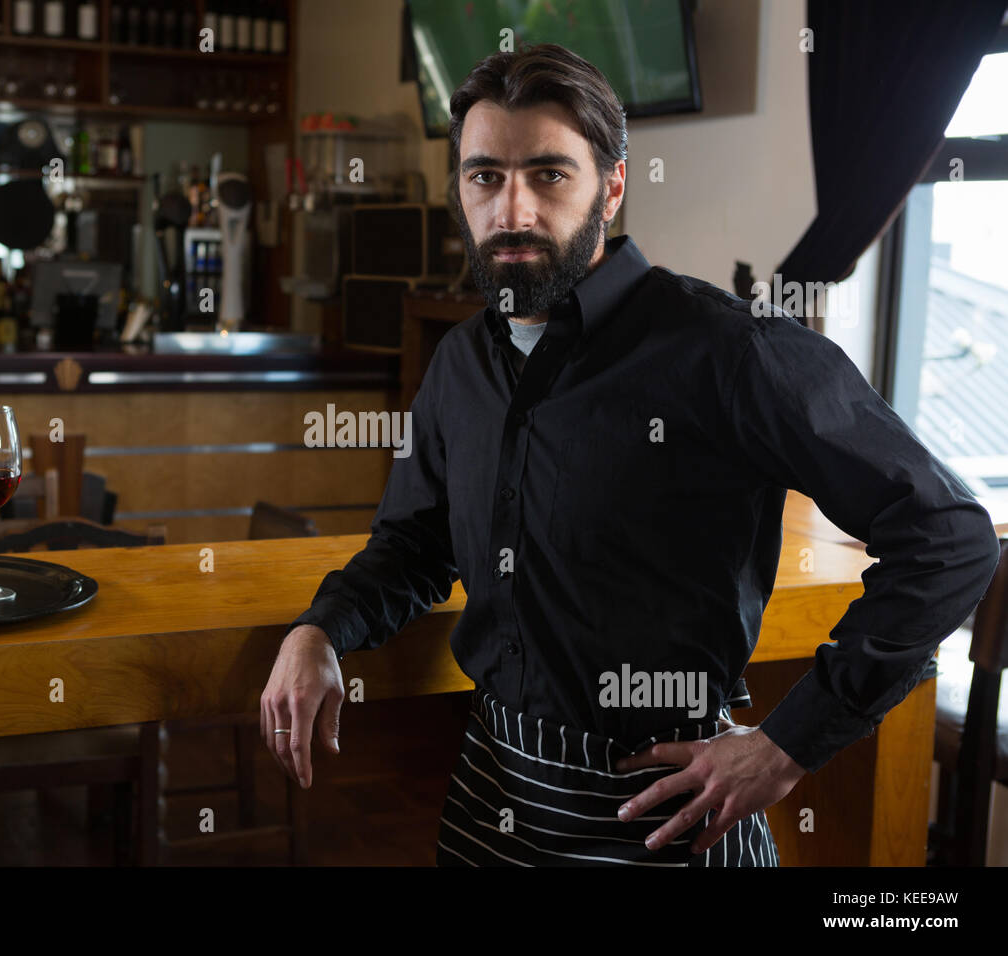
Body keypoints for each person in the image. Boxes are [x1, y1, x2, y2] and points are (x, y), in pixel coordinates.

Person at [259, 43, 1002, 866]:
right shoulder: (461, 362)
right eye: (484, 177)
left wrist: (786, 744)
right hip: (488, 796)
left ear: (612, 186)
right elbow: (413, 548)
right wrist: (319, 631)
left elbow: (950, 538)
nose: (513, 210)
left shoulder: (727, 350)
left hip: (667, 813)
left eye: (549, 175)